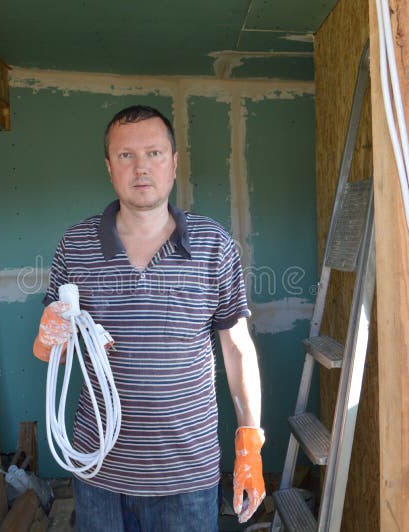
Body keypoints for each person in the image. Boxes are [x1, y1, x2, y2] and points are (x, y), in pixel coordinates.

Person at [33, 105, 265, 531]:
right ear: (109, 167)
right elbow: (52, 355)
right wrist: (49, 338)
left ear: (174, 164)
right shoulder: (77, 244)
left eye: (154, 153)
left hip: (187, 475)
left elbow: (236, 346)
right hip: (99, 469)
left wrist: (250, 439)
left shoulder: (215, 245)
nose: (141, 167)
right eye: (126, 156)